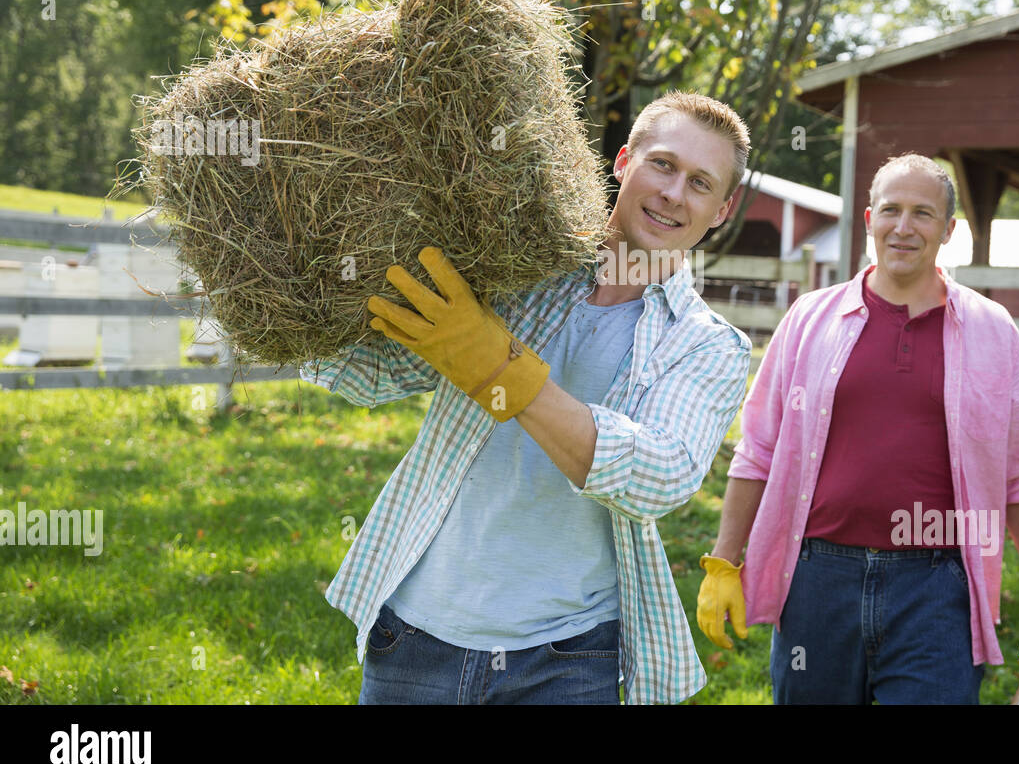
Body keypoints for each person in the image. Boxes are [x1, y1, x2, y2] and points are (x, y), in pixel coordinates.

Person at [302, 91, 752, 705]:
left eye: (701, 183)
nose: (674, 193)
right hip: (415, 631)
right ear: (623, 161)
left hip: (565, 657)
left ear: (722, 209)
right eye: (664, 165)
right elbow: (372, 377)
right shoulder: (514, 271)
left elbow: (657, 478)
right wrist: (290, 289)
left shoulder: (706, 346)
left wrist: (503, 370)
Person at [695, 153, 1019, 704]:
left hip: (938, 587)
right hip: (817, 580)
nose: (904, 227)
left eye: (922, 213)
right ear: (870, 219)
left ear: (948, 230)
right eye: (891, 210)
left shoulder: (992, 331)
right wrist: (723, 563)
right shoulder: (809, 320)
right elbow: (758, 451)